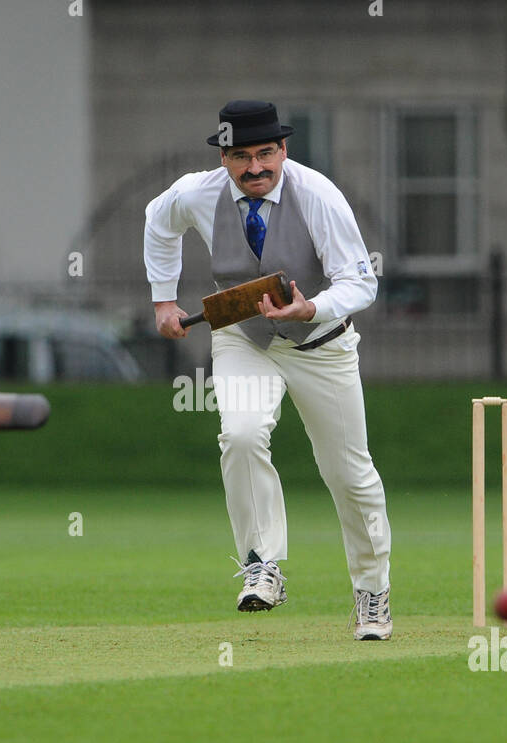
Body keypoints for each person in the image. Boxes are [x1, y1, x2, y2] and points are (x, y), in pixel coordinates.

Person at [144, 100, 393, 639]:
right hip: (244, 337)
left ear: (284, 150)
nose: (254, 168)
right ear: (224, 158)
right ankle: (262, 564)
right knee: (240, 433)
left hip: (321, 343)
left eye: (265, 154)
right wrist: (164, 300)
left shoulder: (318, 196)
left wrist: (312, 307)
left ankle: (372, 593)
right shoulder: (198, 193)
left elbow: (361, 283)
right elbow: (157, 222)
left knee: (348, 474)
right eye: (240, 157)